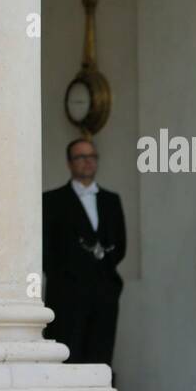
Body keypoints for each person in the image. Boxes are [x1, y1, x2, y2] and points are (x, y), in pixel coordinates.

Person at [42, 139, 127, 366]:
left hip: (104, 294)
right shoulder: (51, 201)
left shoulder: (111, 200)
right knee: (68, 358)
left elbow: (120, 244)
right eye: (80, 156)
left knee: (100, 358)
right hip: (67, 296)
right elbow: (46, 250)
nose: (87, 161)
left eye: (92, 156)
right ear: (69, 163)